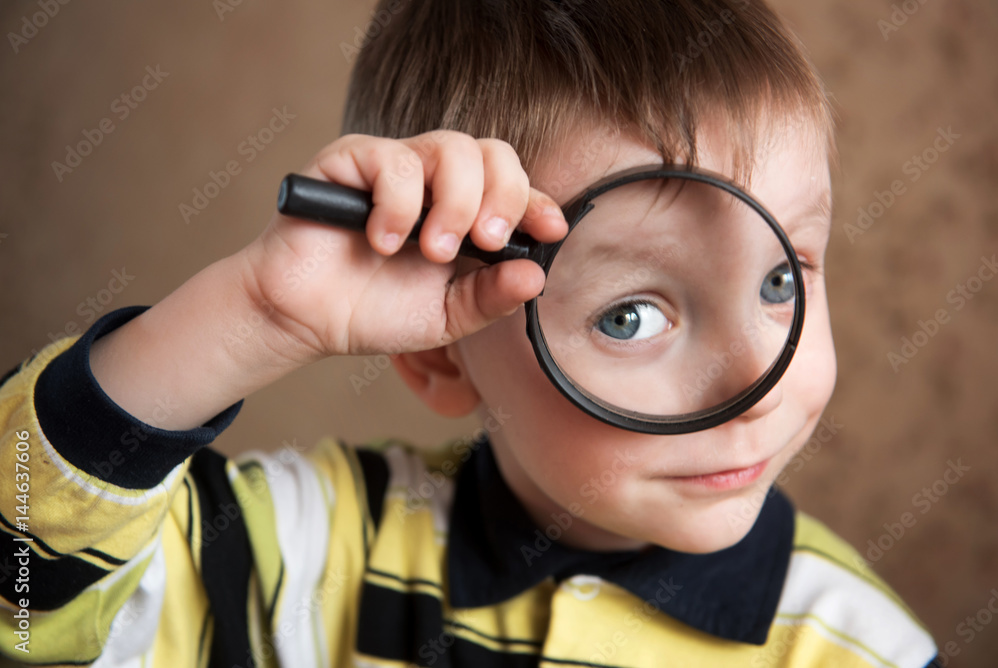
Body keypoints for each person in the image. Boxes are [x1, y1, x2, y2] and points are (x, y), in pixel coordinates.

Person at [0, 0, 940, 666]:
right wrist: (257, 316)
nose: (757, 381)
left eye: (782, 279)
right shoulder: (317, 552)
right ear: (442, 350)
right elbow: (24, 595)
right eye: (630, 314)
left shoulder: (854, 647)